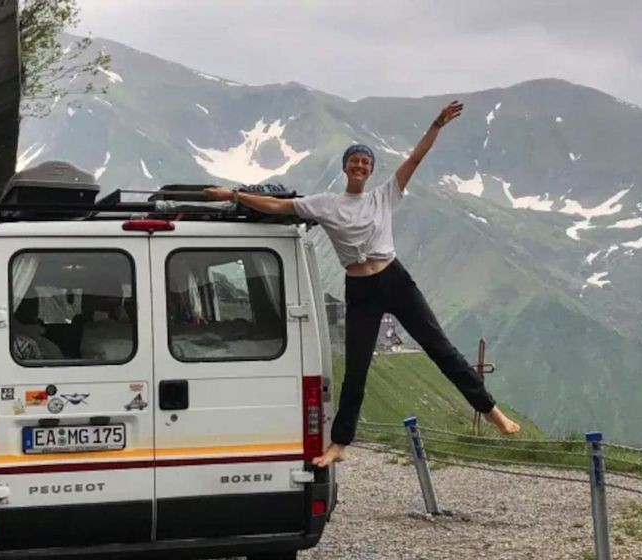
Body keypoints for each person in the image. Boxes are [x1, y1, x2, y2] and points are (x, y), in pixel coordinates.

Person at [204, 100, 521, 468]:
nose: (359, 166)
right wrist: (234, 195)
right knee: (356, 369)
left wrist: (436, 124)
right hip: (360, 290)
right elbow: (278, 208)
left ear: (370, 171)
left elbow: (414, 161)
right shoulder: (324, 204)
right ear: (345, 168)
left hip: (395, 280)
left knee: (441, 349)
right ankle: (339, 443)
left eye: (365, 163)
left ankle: (490, 410)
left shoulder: (383, 196)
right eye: (354, 161)